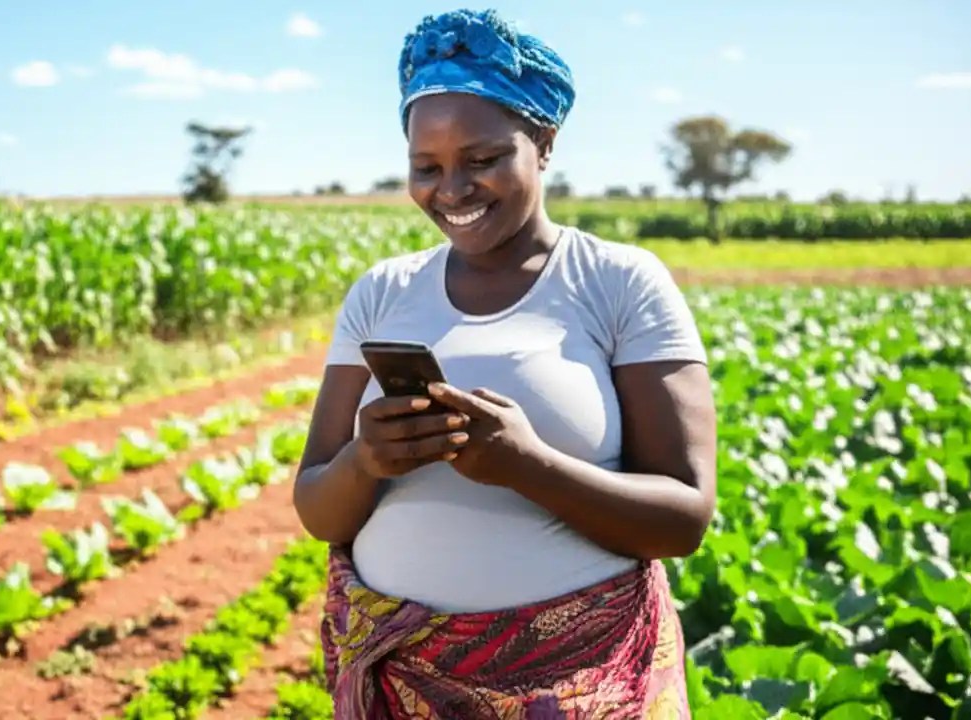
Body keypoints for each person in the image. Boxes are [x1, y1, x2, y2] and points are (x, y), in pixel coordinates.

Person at [293, 8, 716, 719]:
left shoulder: (618, 282)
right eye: (425, 168)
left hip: (581, 686)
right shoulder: (382, 292)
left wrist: (526, 464)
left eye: (482, 159)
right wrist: (366, 460)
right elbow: (316, 507)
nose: (451, 190)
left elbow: (683, 519)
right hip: (402, 684)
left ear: (543, 144)